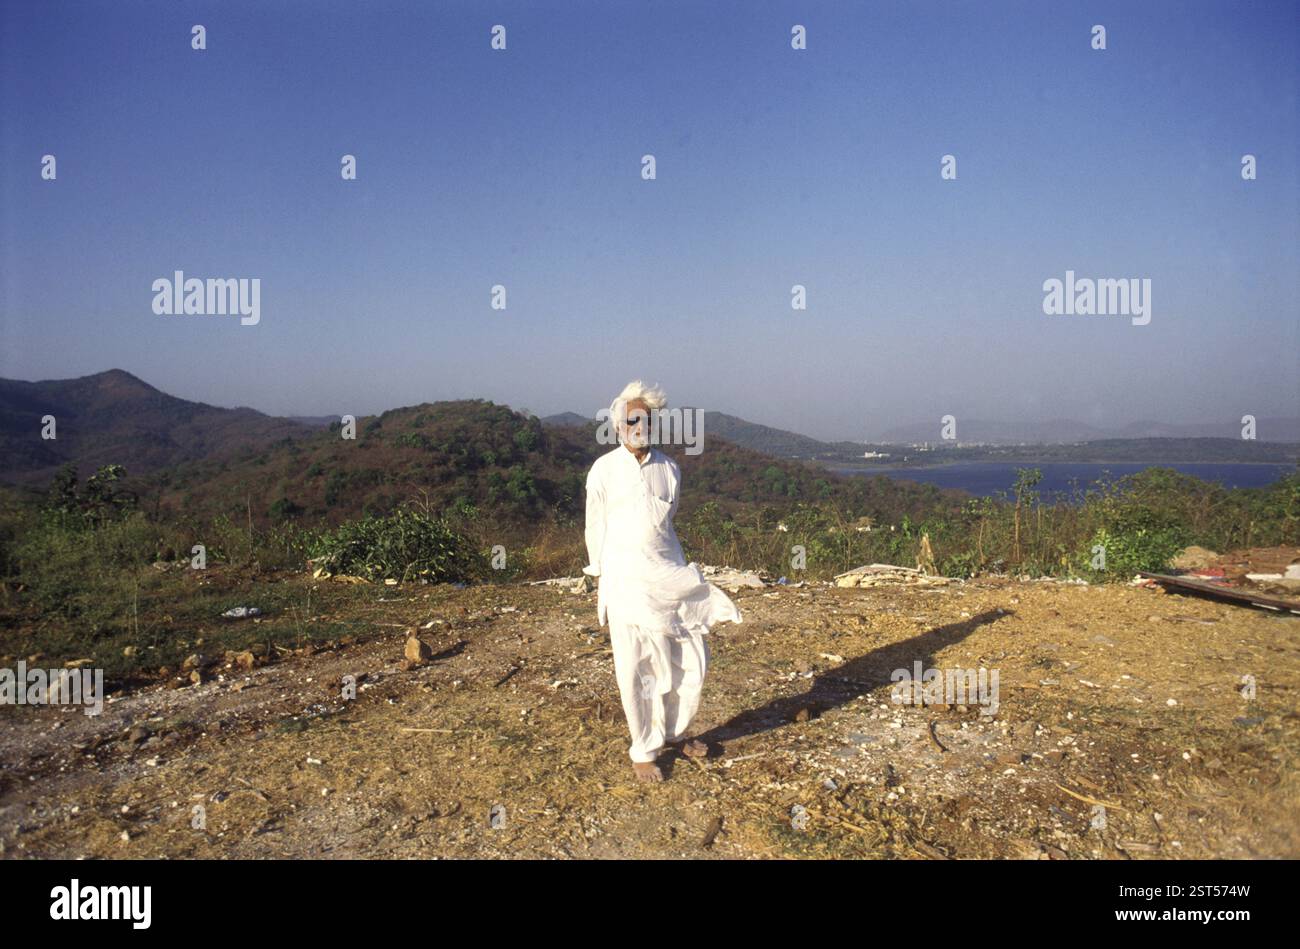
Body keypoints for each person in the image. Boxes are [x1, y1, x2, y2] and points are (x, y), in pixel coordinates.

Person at [583, 380, 742, 782]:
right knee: (636, 666)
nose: (638, 427)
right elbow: (595, 526)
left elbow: (665, 525)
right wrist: (599, 575)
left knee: (688, 658)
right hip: (625, 583)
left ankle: (674, 733)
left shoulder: (669, 469)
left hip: (669, 576)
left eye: (645, 421)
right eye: (631, 421)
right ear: (619, 425)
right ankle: (643, 749)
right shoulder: (603, 470)